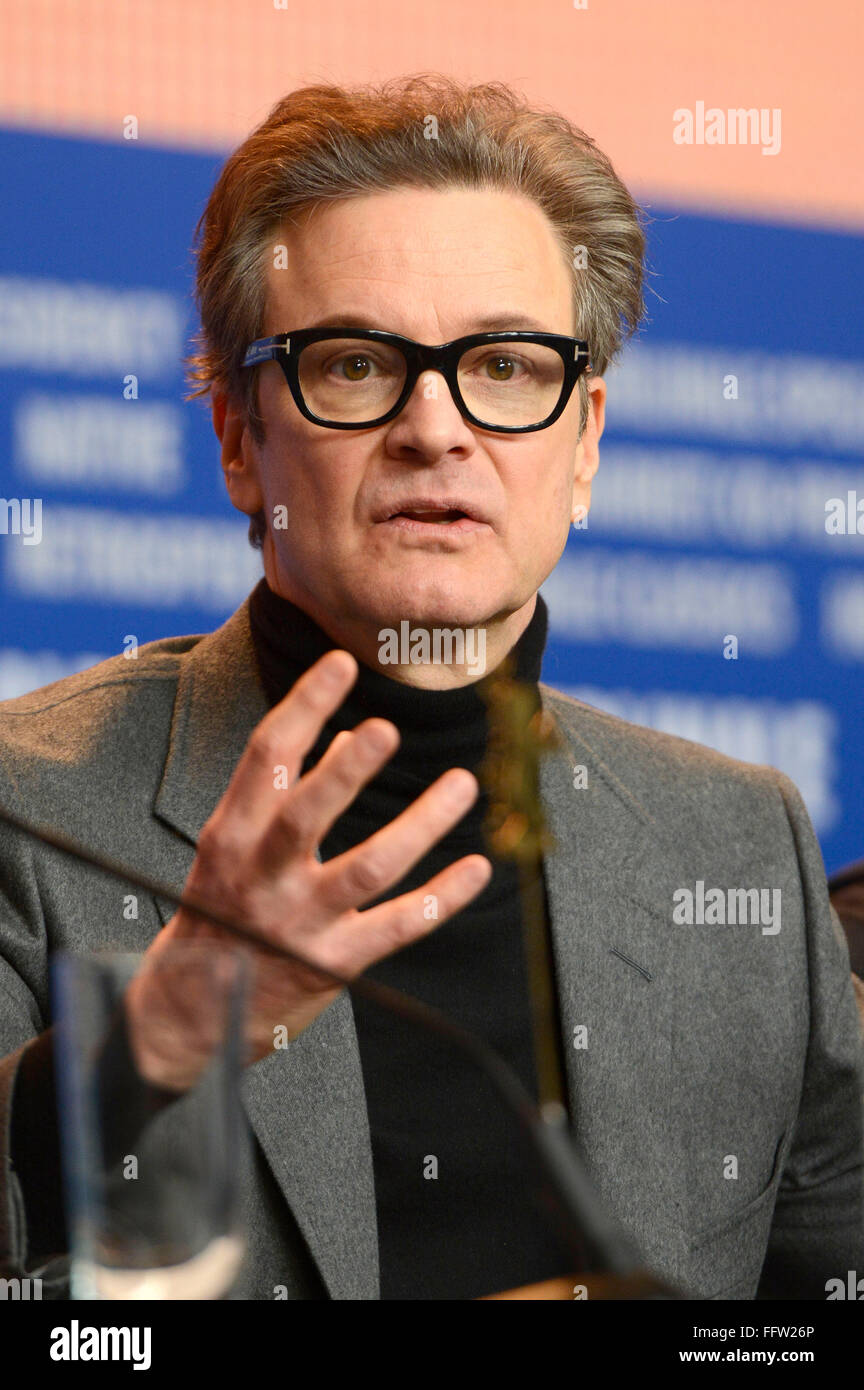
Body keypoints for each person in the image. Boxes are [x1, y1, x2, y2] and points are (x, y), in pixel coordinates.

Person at [0, 75, 861, 1301]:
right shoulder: (25, 812)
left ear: (587, 442)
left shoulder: (736, 844)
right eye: (356, 364)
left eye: (506, 366)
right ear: (241, 438)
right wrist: (151, 1052)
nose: (437, 426)